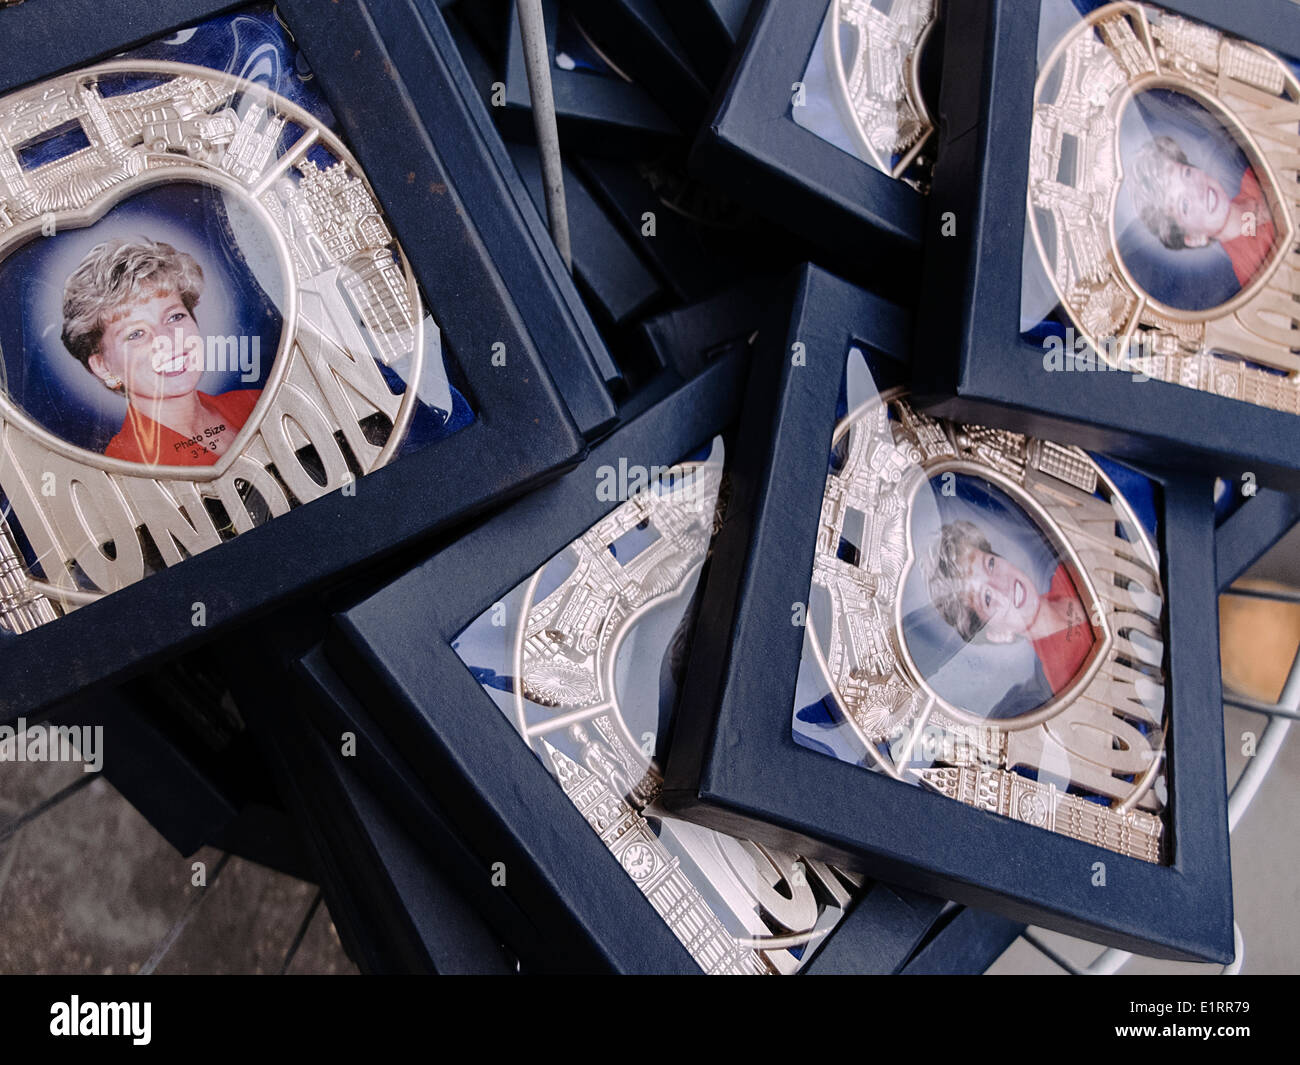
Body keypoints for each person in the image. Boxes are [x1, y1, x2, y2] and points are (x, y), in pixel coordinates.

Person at [61, 237, 261, 466]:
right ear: (103, 366)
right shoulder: (127, 468)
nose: (167, 340)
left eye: (175, 317)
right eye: (136, 333)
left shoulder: (255, 403)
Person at [925, 519, 1093, 696]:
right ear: (996, 635)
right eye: (987, 598)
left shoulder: (1070, 568)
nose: (1002, 585)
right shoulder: (1061, 685)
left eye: (990, 564)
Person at [1128, 133, 1275, 289]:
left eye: (1187, 174)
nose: (1197, 190)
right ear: (1194, 238)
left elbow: (1249, 223)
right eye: (1184, 205)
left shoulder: (1252, 176)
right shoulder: (1253, 273)